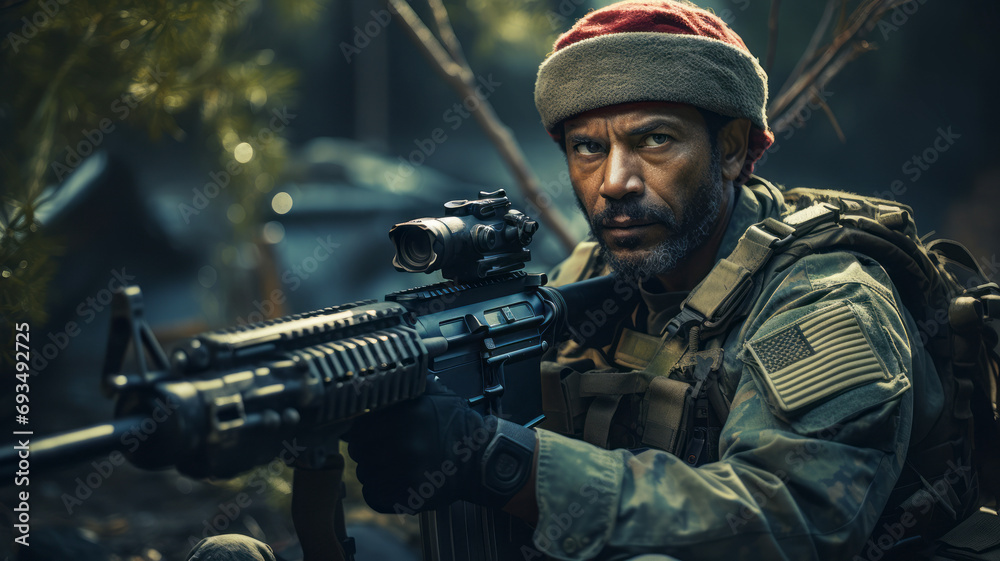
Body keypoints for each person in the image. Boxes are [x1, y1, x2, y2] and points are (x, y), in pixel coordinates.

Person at [189, 1, 980, 559]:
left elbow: (795, 523)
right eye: (587, 148)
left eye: (655, 140)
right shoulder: (592, 274)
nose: (615, 182)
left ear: (736, 150)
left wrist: (501, 464)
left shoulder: (824, 296)